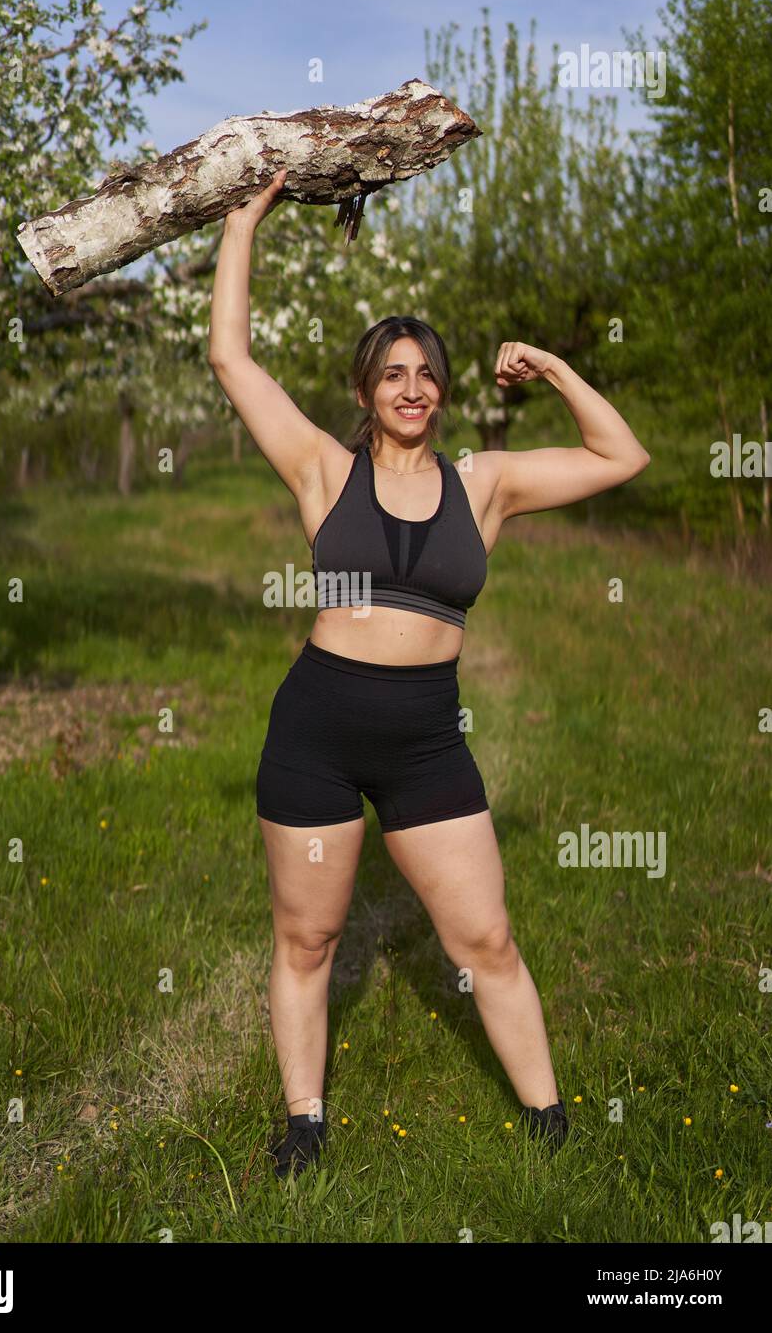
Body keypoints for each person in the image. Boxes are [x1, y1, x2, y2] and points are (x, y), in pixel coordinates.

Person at [207, 167, 651, 1179]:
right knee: (309, 939)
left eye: (428, 374)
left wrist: (552, 366)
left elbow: (620, 455)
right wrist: (243, 224)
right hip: (316, 732)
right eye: (393, 373)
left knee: (484, 936)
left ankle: (548, 1125)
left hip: (423, 742)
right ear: (366, 390)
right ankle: (305, 1122)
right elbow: (230, 358)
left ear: (442, 391)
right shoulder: (324, 469)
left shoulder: (483, 485)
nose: (412, 388)